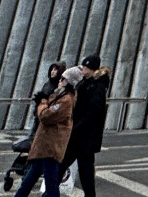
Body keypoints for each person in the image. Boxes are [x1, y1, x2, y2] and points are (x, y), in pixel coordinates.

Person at [14, 66, 80, 197]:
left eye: (63, 78)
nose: (60, 80)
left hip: (51, 147)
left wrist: (42, 102)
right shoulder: (59, 95)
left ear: (69, 82)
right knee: (29, 180)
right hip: (45, 146)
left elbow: (45, 116)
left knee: (51, 184)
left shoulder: (66, 100)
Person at [62, 55, 111, 196]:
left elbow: (93, 111)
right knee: (78, 168)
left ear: (91, 68)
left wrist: (78, 126)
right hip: (81, 134)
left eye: (85, 66)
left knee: (84, 169)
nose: (82, 68)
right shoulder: (87, 83)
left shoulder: (97, 86)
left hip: (84, 135)